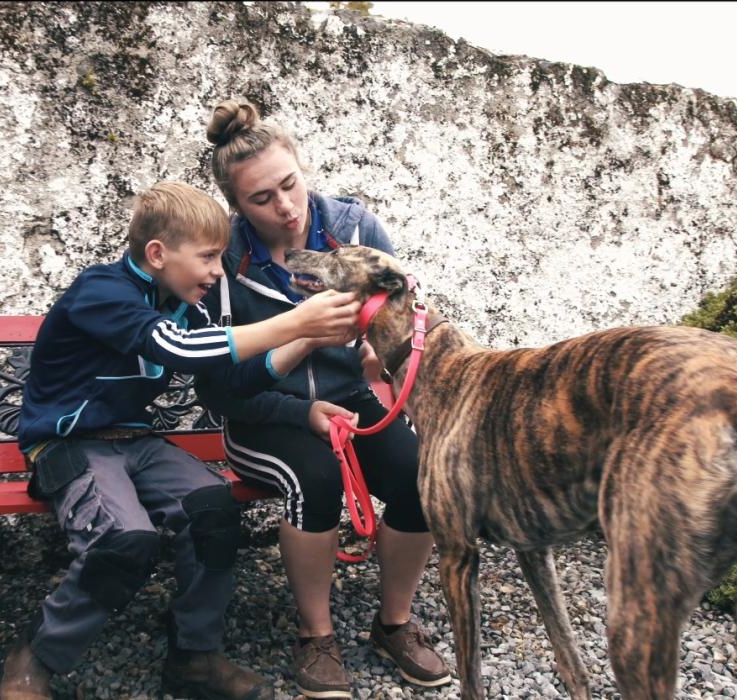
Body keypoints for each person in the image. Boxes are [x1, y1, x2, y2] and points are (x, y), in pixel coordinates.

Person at [1, 182, 362, 700]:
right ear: (157, 253)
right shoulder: (100, 291)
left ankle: (195, 657)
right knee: (123, 539)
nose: (218, 271)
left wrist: (306, 359)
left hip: (137, 441)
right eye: (209, 257)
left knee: (213, 511)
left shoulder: (183, 306)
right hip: (70, 443)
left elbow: (230, 381)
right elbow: (176, 348)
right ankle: (35, 655)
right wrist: (293, 321)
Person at [195, 99, 452, 699]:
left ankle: (393, 623)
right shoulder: (223, 259)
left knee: (422, 476)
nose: (285, 207)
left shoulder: (356, 228)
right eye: (262, 199)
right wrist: (297, 407)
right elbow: (217, 390)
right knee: (314, 476)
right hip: (262, 412)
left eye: (290, 185)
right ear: (237, 207)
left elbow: (399, 320)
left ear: (302, 169)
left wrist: (380, 357)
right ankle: (317, 635)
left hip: (351, 399)